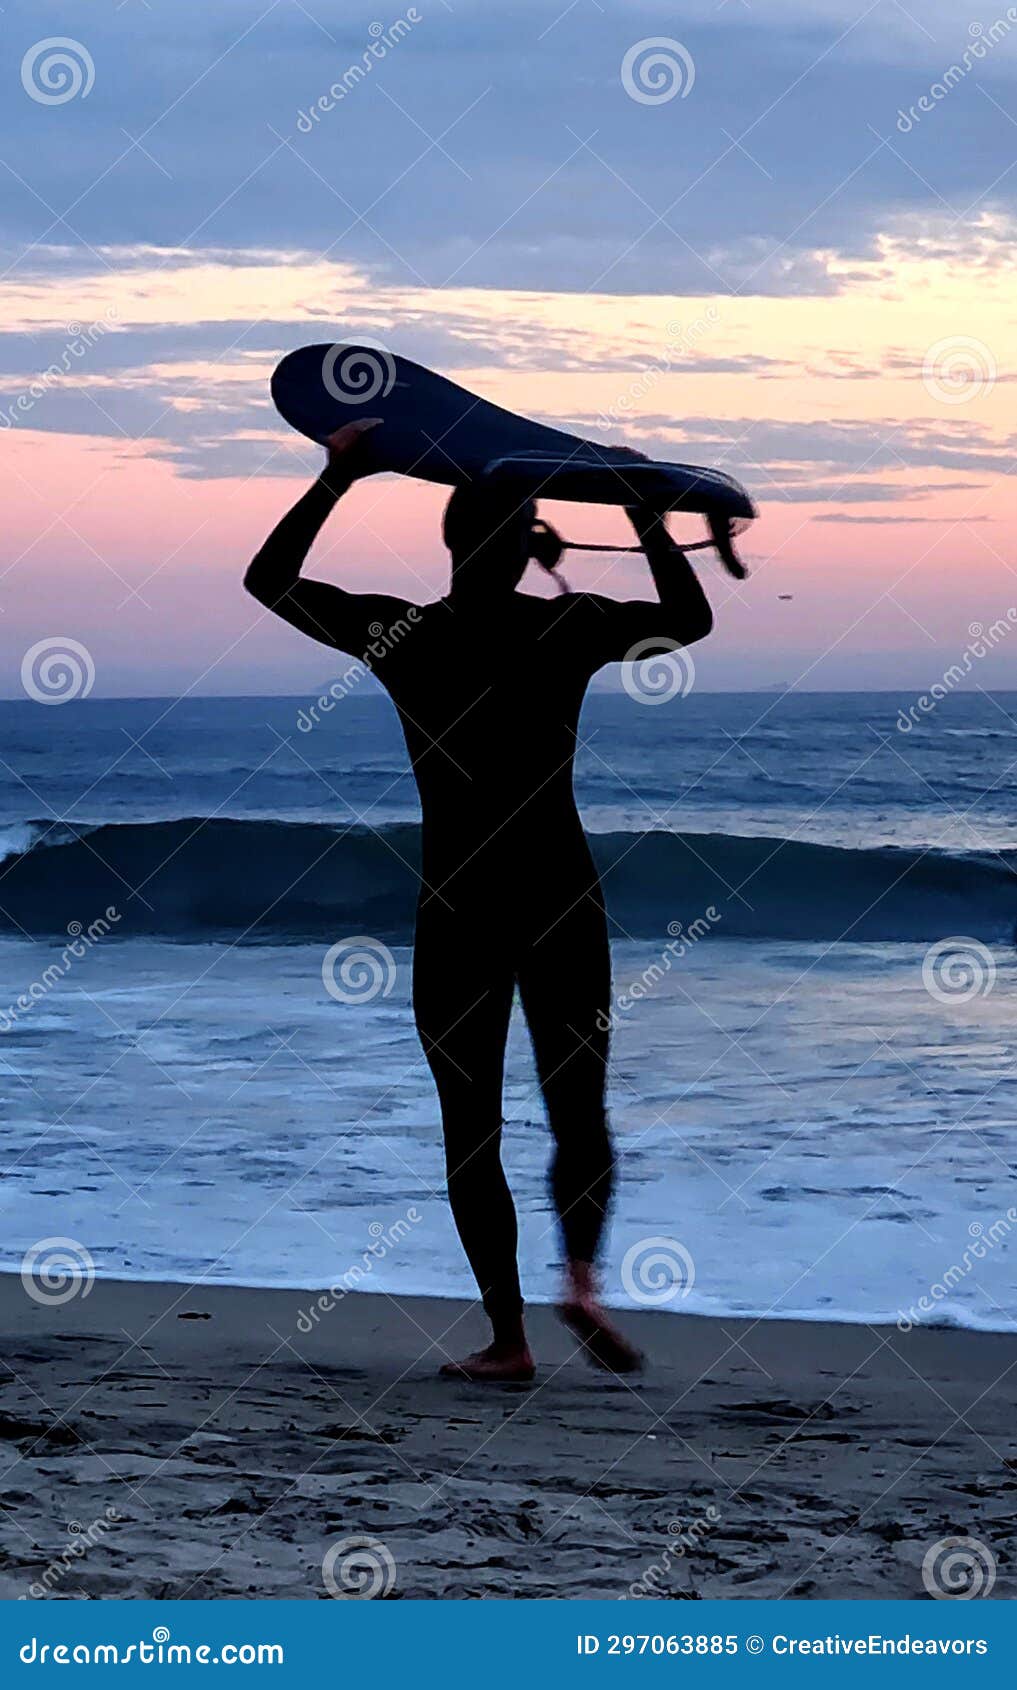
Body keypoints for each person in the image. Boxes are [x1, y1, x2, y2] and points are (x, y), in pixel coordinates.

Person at [245, 419, 715, 1382]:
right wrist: (645, 520)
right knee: (578, 1108)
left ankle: (508, 1339)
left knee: (471, 1129)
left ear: (451, 545)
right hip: (561, 896)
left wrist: (340, 477)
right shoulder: (565, 626)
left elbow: (271, 582)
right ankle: (581, 1284)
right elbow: (688, 620)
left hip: (459, 902)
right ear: (525, 547)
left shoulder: (407, 633)